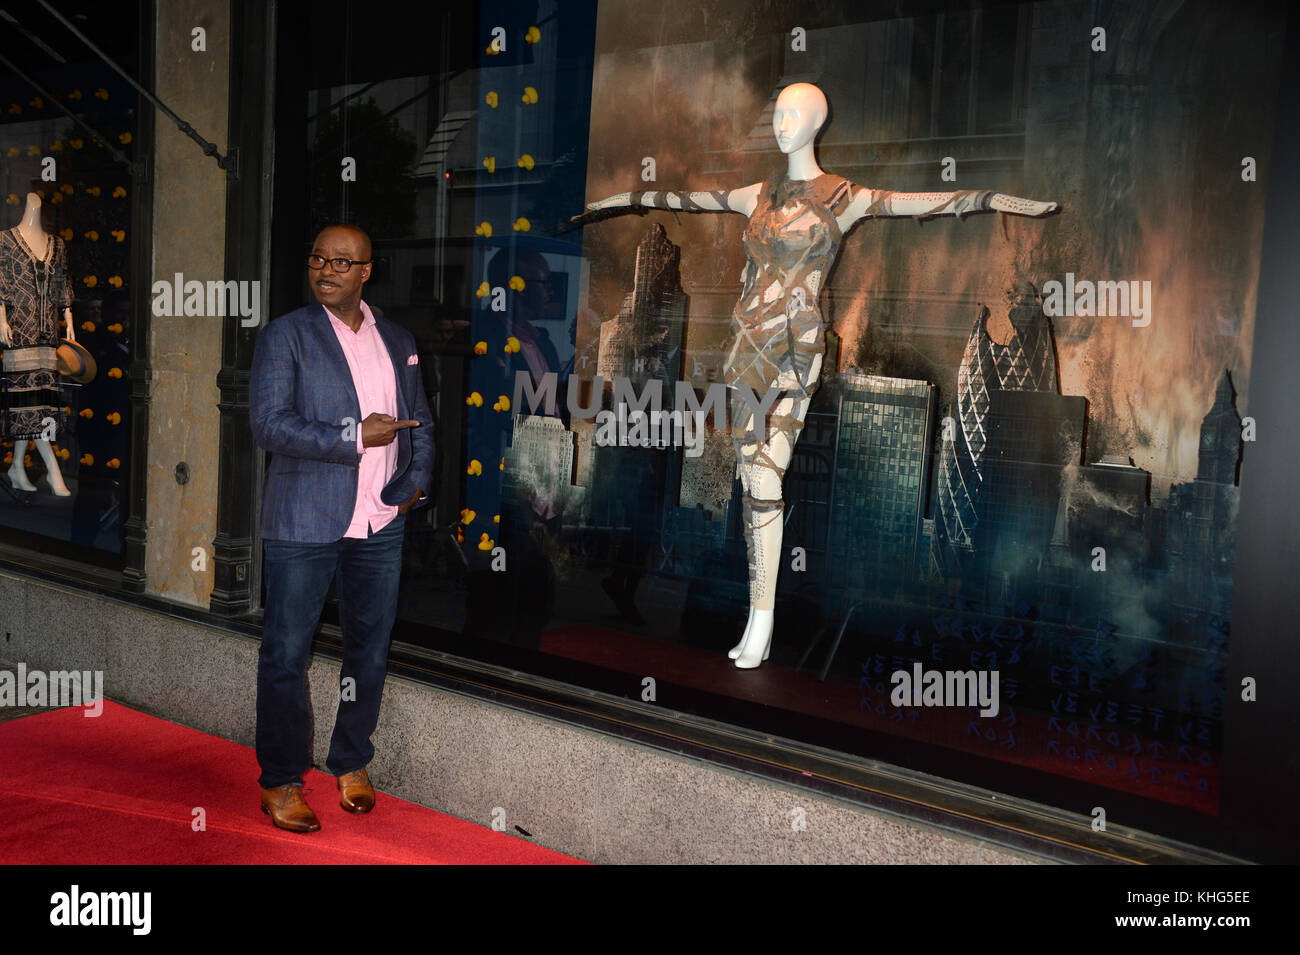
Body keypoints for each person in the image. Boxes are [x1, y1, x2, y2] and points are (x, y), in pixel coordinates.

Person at [577, 82, 1058, 669]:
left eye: (794, 113)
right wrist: (619, 200)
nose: (782, 123)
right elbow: (684, 198)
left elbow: (924, 201)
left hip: (795, 350)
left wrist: (994, 199)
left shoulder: (844, 197)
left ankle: (762, 620)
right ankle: (757, 615)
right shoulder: (755, 193)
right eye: (777, 112)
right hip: (745, 349)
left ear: (817, 123)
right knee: (753, 479)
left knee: (767, 476)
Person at [249, 223, 434, 832]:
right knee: (284, 654)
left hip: (380, 520)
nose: (325, 269)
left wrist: (411, 488)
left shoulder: (399, 339)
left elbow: (421, 425)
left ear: (366, 271)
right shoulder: (286, 336)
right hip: (304, 521)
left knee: (369, 651)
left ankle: (350, 760)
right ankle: (280, 780)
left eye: (340, 261)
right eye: (317, 258)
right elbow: (269, 425)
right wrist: (354, 436)